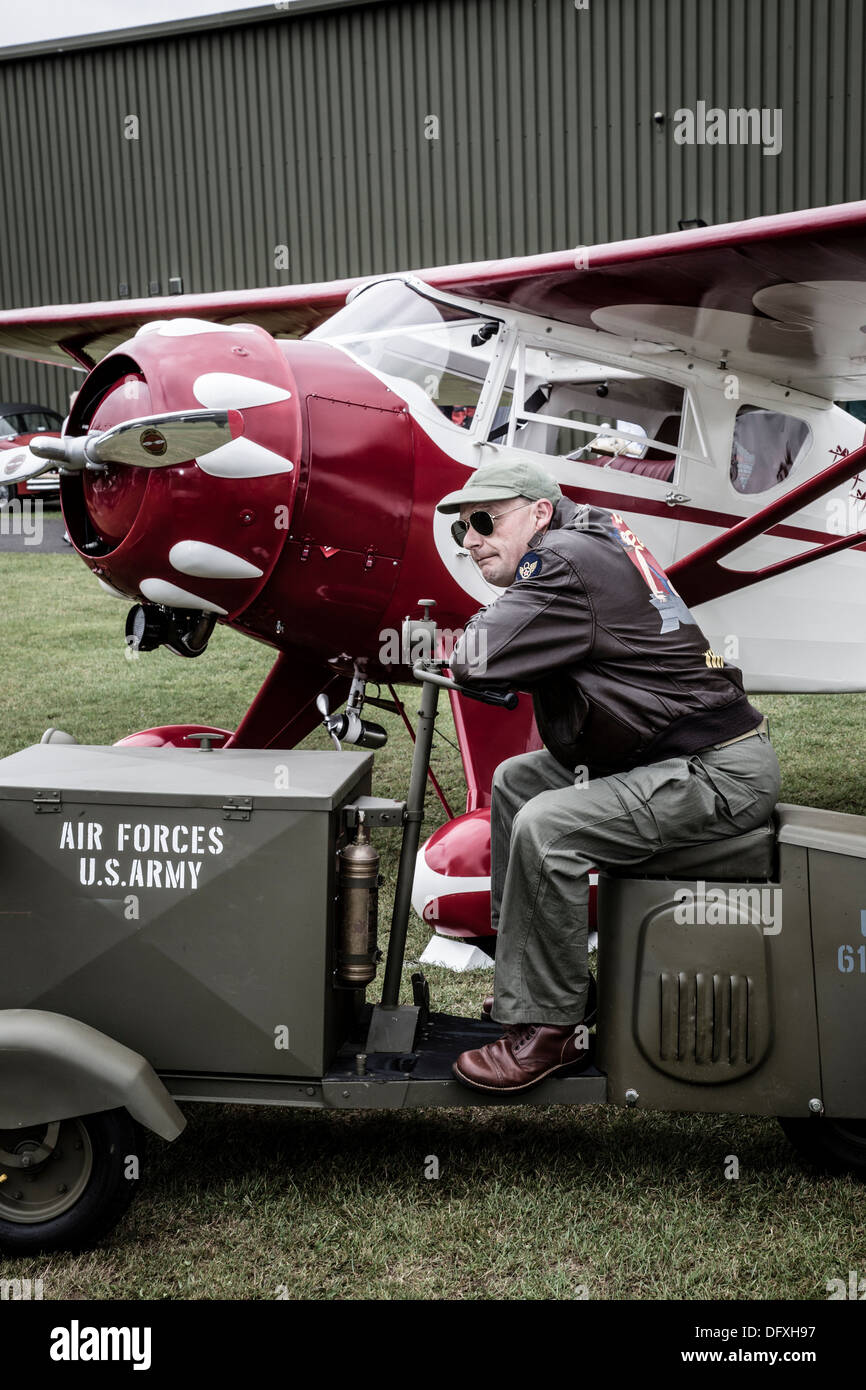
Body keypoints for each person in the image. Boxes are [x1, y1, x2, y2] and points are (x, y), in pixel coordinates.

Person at [435, 461, 781, 1094]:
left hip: (716, 770)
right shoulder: (591, 530)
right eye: (463, 530)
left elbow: (476, 658)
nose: (472, 541)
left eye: (485, 522)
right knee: (518, 783)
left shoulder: (560, 560)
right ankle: (529, 989)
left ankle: (553, 1029)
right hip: (668, 749)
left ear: (538, 514)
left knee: (548, 826)